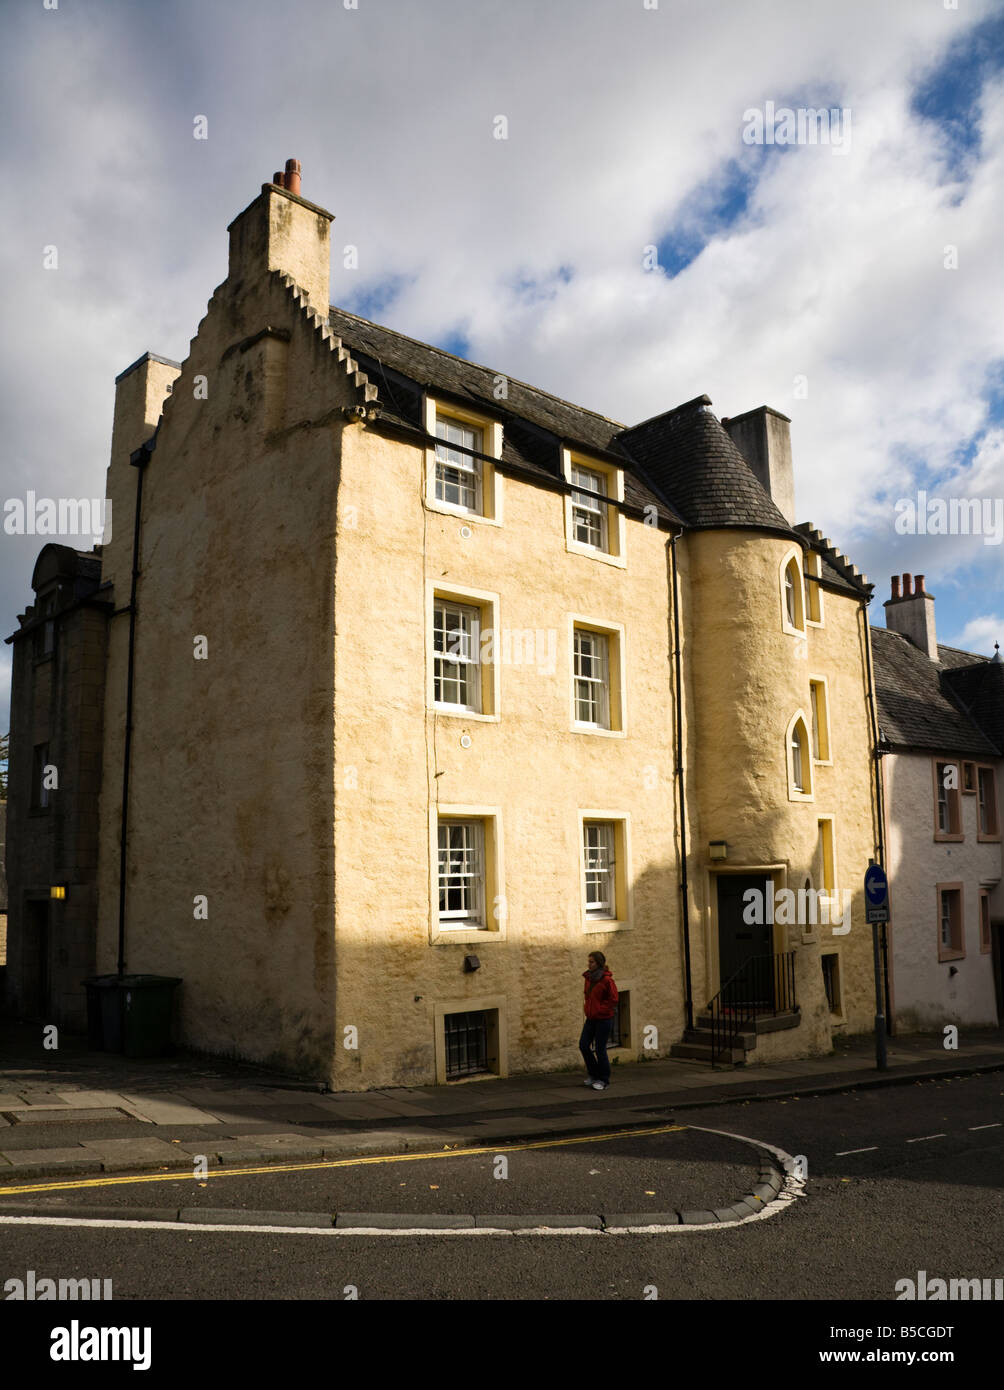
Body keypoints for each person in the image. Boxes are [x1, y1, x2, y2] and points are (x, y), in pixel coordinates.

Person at [580, 951, 618, 1091]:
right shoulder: (589, 978)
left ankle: (603, 1079)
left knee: (600, 1049)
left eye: (592, 962)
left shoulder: (606, 980)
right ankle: (594, 1074)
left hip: (603, 1020)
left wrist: (600, 1010)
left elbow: (613, 999)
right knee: (583, 1045)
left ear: (599, 963)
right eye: (588, 961)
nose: (589, 964)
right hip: (591, 1019)